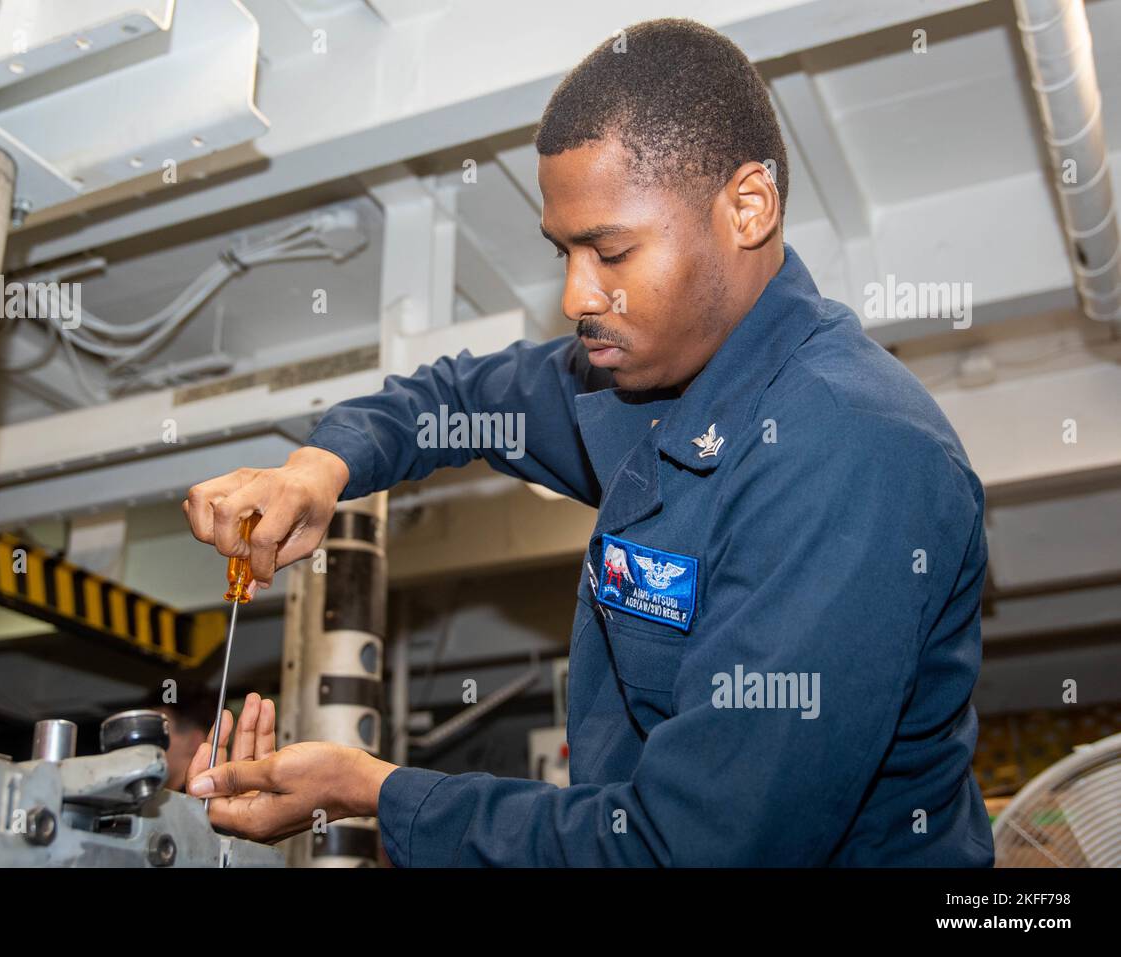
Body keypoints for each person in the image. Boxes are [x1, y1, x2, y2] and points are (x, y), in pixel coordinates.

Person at [182, 18, 994, 866]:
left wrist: (370, 791)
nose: (577, 294)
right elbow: (452, 398)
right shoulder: (640, 376)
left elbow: (690, 849)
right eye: (563, 251)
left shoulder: (853, 456)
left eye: (609, 250)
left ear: (748, 207)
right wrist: (316, 472)